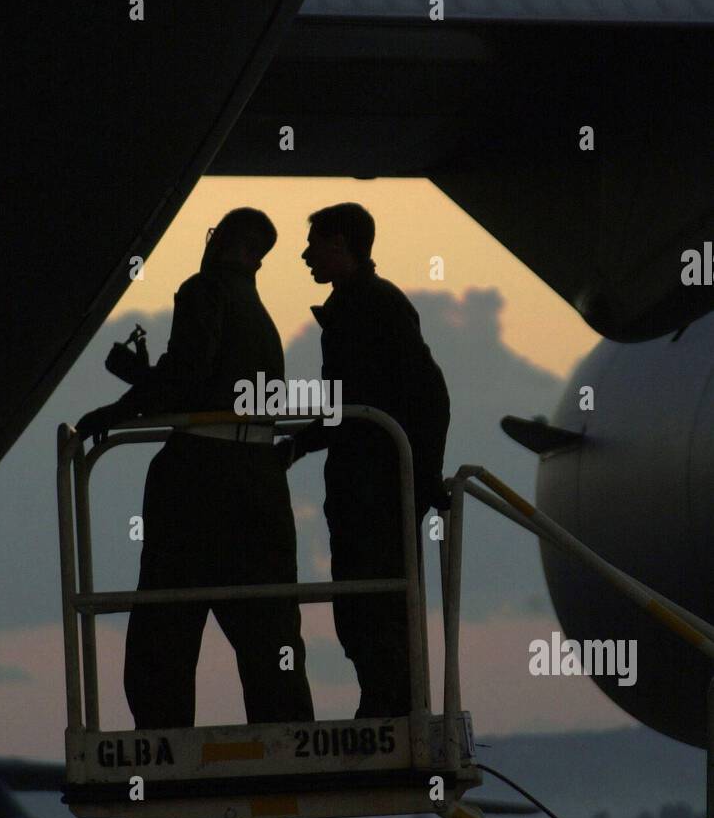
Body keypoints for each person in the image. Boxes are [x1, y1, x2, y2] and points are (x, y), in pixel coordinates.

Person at [77, 208, 314, 729]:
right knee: (269, 624)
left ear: (221, 240)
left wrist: (119, 408)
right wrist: (147, 382)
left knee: (166, 620)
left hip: (200, 479)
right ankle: (288, 736)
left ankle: (162, 738)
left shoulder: (203, 289)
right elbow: (213, 379)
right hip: (260, 479)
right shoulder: (260, 315)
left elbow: (189, 376)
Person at [282, 202, 450, 718]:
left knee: (371, 599)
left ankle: (389, 704)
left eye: (315, 243)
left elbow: (417, 398)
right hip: (366, 485)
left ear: (340, 245)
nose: (305, 254)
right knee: (361, 599)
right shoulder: (361, 305)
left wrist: (417, 480)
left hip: (376, 489)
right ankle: (385, 700)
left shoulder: (375, 307)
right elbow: (358, 404)